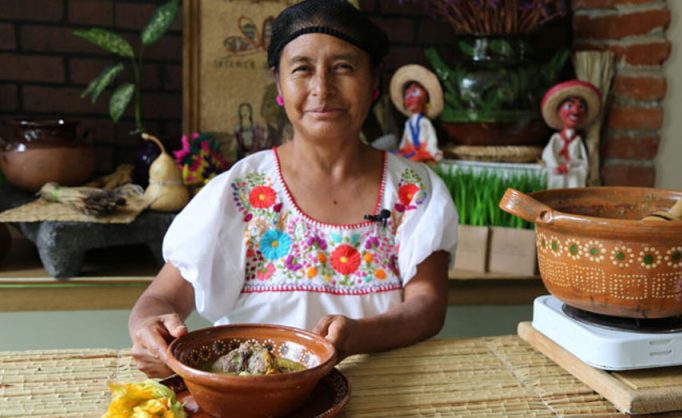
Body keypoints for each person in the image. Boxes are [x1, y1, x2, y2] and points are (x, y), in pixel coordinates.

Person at [129, 0, 458, 378]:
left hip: (380, 393)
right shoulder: (239, 191)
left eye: (344, 68)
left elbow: (427, 307)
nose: (322, 88)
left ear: (373, 84)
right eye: (302, 69)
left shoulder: (412, 190)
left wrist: (357, 336)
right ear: (279, 84)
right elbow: (160, 298)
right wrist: (149, 328)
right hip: (253, 400)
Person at [539, 80, 602, 189]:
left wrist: (570, 166)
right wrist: (556, 167)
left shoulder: (577, 141)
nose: (575, 111)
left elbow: (584, 162)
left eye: (581, 107)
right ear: (559, 112)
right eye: (569, 106)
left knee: (574, 180)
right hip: (557, 172)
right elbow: (548, 155)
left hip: (572, 173)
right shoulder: (556, 139)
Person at [390, 64, 444, 163]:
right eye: (407, 94)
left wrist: (433, 150)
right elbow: (405, 139)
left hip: (422, 150)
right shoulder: (408, 123)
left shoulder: (424, 122)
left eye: (415, 93)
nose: (410, 98)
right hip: (411, 149)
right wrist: (402, 148)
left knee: (413, 160)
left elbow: (431, 137)